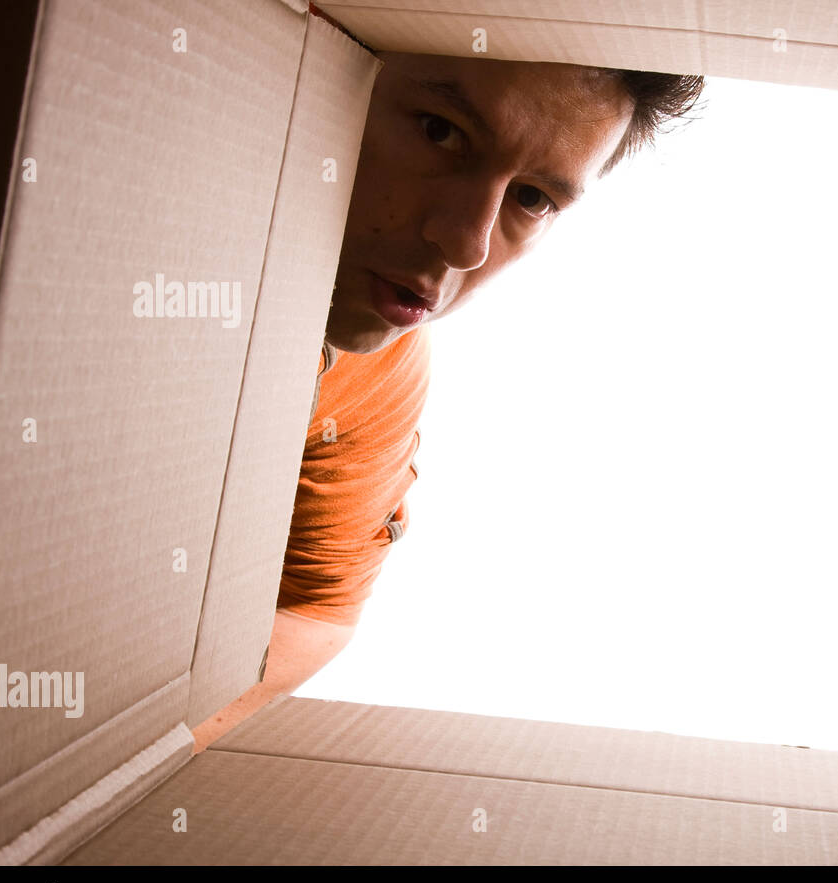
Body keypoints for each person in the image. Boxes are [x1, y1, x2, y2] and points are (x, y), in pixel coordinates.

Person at [191, 52, 703, 750]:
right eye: (440, 130)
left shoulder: (383, 373)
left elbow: (317, 609)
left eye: (531, 199)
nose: (466, 241)